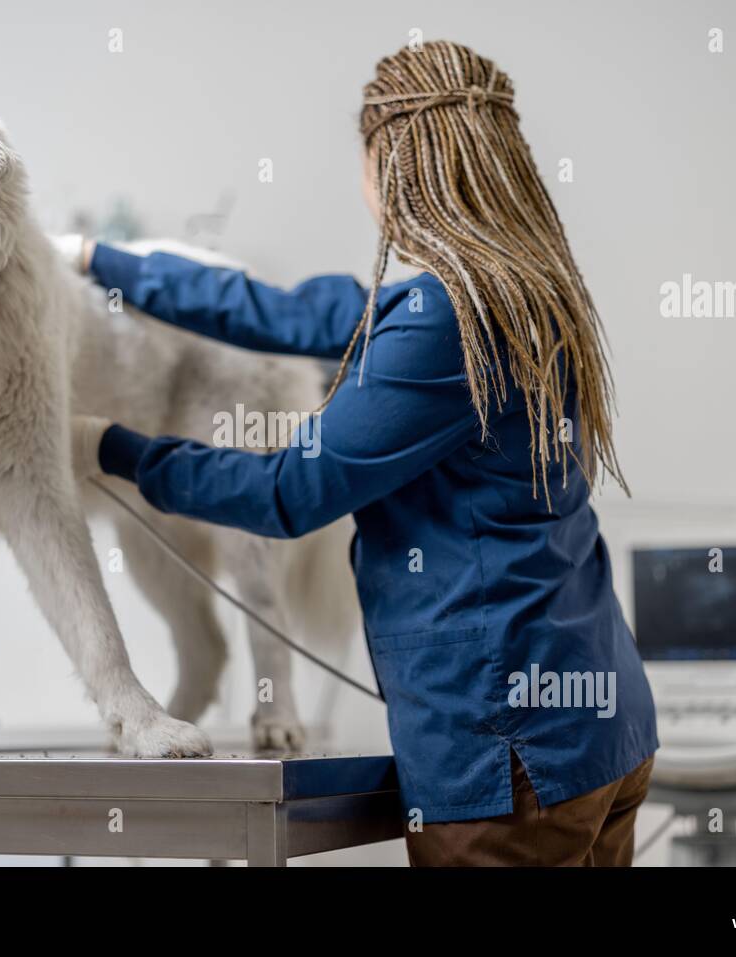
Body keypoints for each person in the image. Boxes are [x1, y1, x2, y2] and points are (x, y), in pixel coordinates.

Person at [63, 40, 657, 866]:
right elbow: (284, 312)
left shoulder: (445, 323)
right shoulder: (523, 295)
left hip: (511, 756)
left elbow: (288, 492)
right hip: (601, 730)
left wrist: (110, 446)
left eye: (367, 163)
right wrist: (99, 260)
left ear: (392, 163)